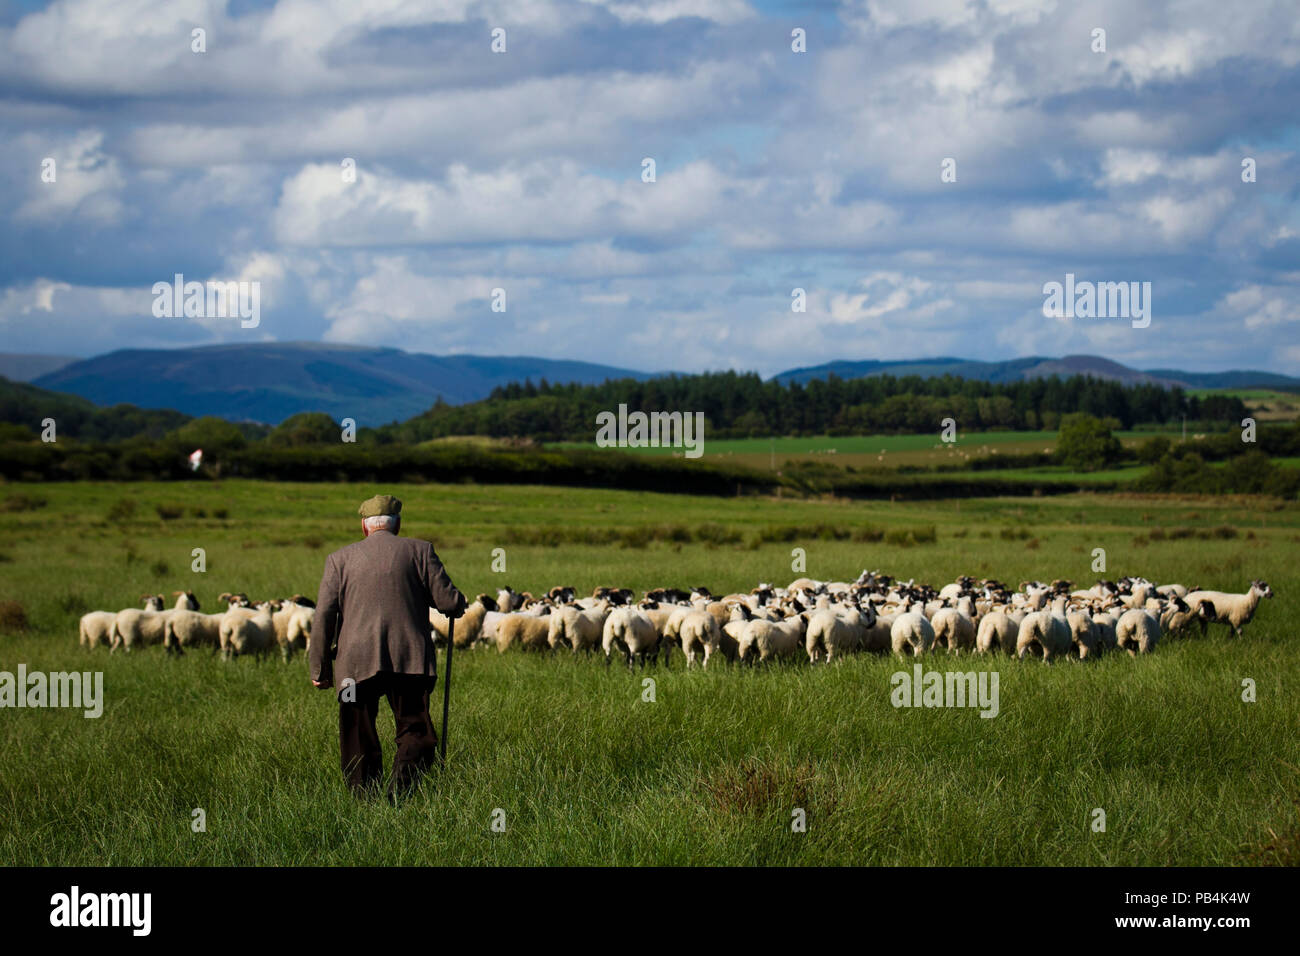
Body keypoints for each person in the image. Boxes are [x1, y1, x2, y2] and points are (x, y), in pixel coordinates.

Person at [310, 493, 465, 800]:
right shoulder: (421, 551)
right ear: (398, 524)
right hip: (408, 660)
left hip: (355, 664)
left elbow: (324, 615)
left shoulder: (339, 559)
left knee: (357, 731)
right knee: (415, 730)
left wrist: (320, 669)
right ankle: (399, 795)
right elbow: (449, 603)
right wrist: (457, 601)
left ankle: (364, 801)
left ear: (364, 527)